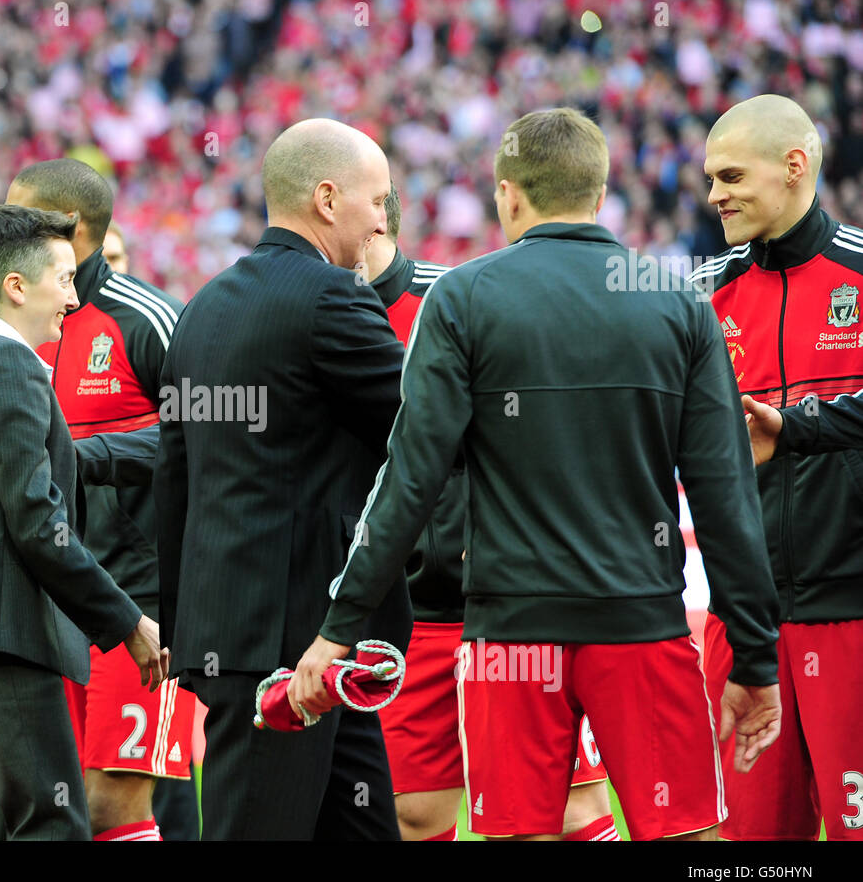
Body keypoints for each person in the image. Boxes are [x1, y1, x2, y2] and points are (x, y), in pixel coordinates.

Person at [314, 108, 782, 841]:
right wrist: (755, 657)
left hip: (510, 632)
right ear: (600, 193)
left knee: (522, 833)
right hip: (643, 621)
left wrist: (340, 627)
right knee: (686, 838)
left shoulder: (462, 298)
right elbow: (727, 500)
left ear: (508, 195)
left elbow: (410, 480)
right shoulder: (677, 301)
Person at [154, 118, 411, 840]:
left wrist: (182, 624)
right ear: (328, 199)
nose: (382, 222)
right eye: (377, 200)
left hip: (258, 641)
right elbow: (425, 429)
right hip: (294, 649)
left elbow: (175, 476)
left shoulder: (202, 307)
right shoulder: (333, 298)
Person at [0, 203, 167, 841]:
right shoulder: (8, 364)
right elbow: (38, 523)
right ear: (17, 286)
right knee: (53, 823)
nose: (74, 299)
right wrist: (127, 620)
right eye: (66, 279)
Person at [362, 188, 618, 842]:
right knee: (414, 813)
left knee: (569, 807)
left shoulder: (459, 297)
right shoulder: (312, 318)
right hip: (407, 613)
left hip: (512, 602)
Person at [5, 159, 196, 842]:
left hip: (140, 606)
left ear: (71, 228)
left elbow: (204, 446)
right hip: (48, 608)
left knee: (116, 801)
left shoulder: (148, 321)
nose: (1, 228)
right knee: (65, 807)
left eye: (18, 215)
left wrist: (84, 460)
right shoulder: (17, 327)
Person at [689, 94, 863, 841]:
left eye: (730, 176)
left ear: (795, 167)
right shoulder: (698, 296)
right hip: (745, 628)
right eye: (708, 179)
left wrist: (796, 426)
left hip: (852, 618)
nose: (714, 195)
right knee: (754, 860)